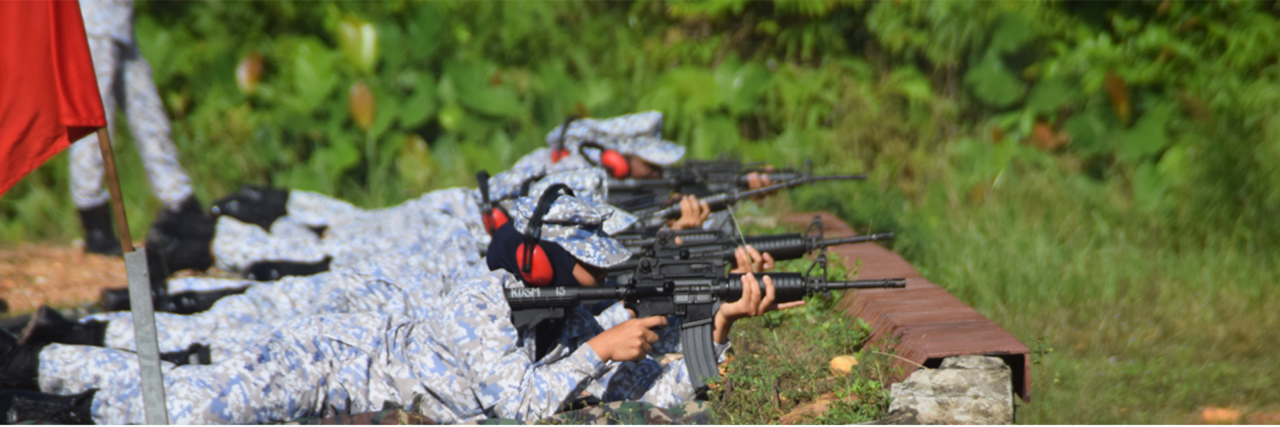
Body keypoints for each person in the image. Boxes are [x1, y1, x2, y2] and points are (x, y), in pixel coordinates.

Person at [0, 190, 798, 425]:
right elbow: (516, 402)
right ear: (560, 258)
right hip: (330, 354)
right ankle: (40, 381)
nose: (612, 278)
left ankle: (42, 387)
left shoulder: (577, 318)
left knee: (187, 379)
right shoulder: (486, 302)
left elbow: (632, 387)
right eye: (601, 263)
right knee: (194, 399)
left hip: (359, 382)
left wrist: (716, 327)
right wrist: (602, 349)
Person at [73, 0, 211, 257]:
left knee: (148, 111)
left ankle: (179, 198)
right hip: (92, 23)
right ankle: (93, 216)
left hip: (120, 20)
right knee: (95, 120)